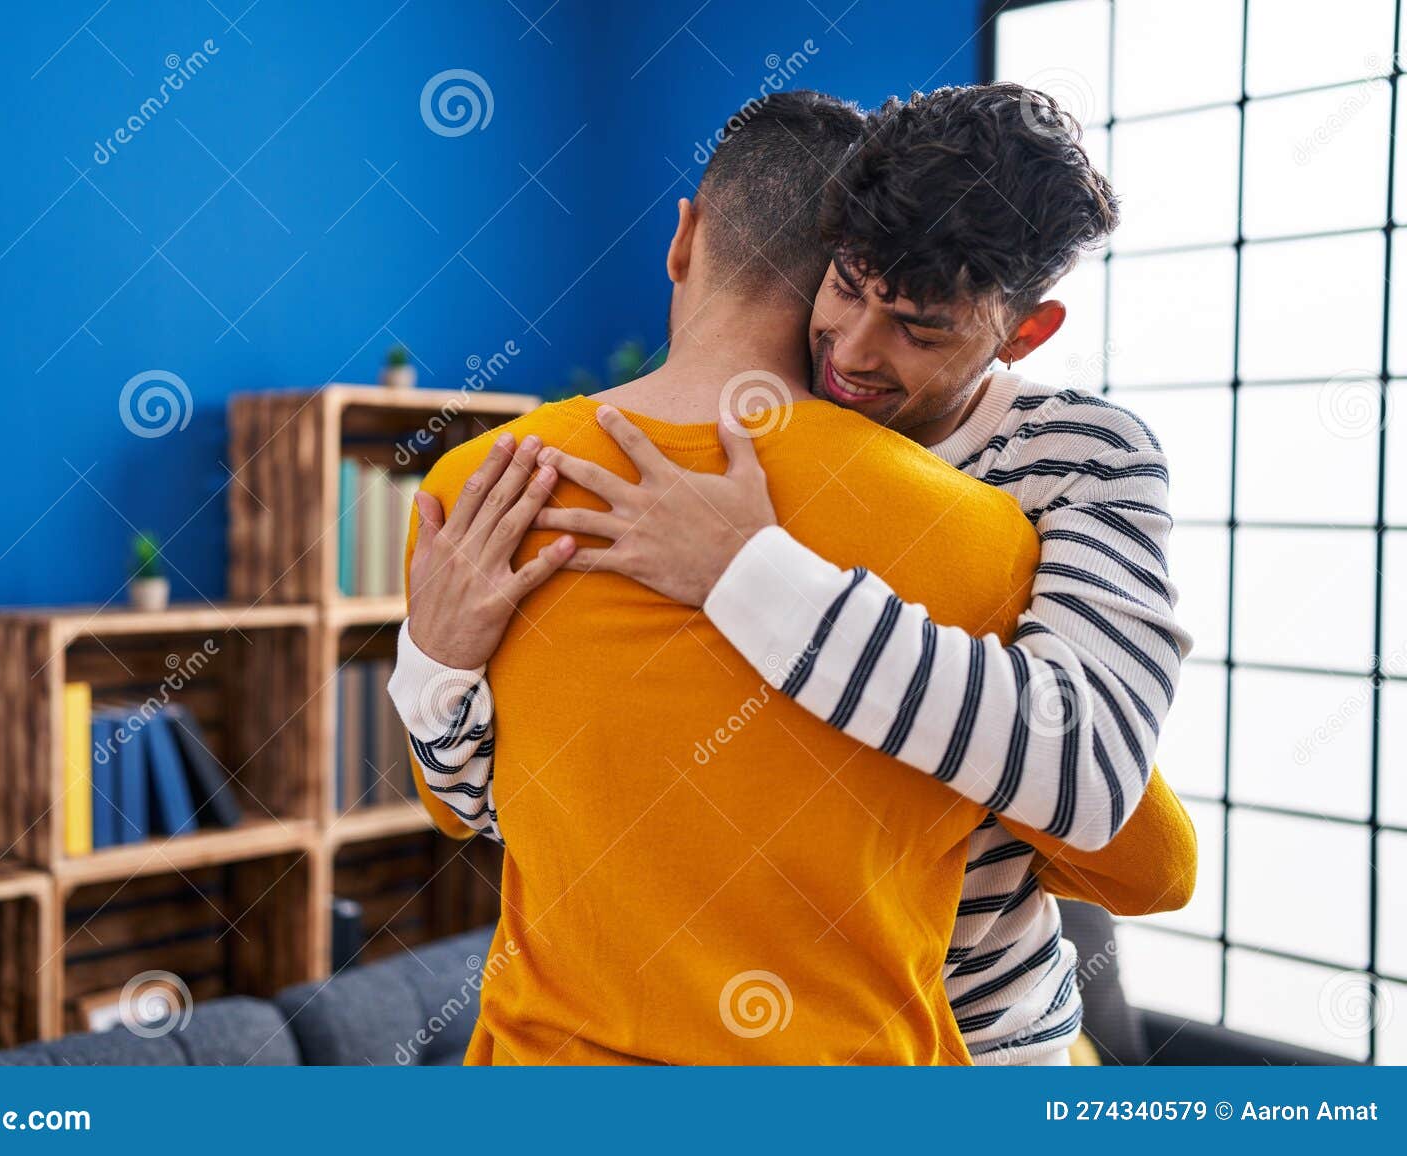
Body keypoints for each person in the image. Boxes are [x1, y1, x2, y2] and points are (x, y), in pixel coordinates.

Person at [391, 89, 1194, 1065]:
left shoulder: (1082, 453)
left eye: (919, 328)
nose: (852, 354)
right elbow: (478, 802)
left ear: (1025, 332)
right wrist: (431, 663)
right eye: (847, 287)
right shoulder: (765, 425)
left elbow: (1093, 771)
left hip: (982, 1042)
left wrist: (748, 576)